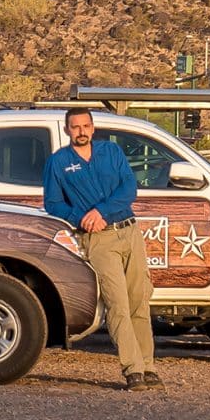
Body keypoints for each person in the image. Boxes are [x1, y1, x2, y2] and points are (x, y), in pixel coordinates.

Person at [43, 107, 157, 389]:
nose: (81, 131)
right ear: (67, 129)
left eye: (85, 126)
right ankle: (133, 370)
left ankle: (149, 366)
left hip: (129, 231)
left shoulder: (112, 153)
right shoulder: (58, 163)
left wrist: (102, 211)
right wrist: (81, 218)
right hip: (98, 240)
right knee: (117, 303)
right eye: (75, 126)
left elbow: (129, 188)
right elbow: (53, 203)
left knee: (139, 301)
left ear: (93, 128)